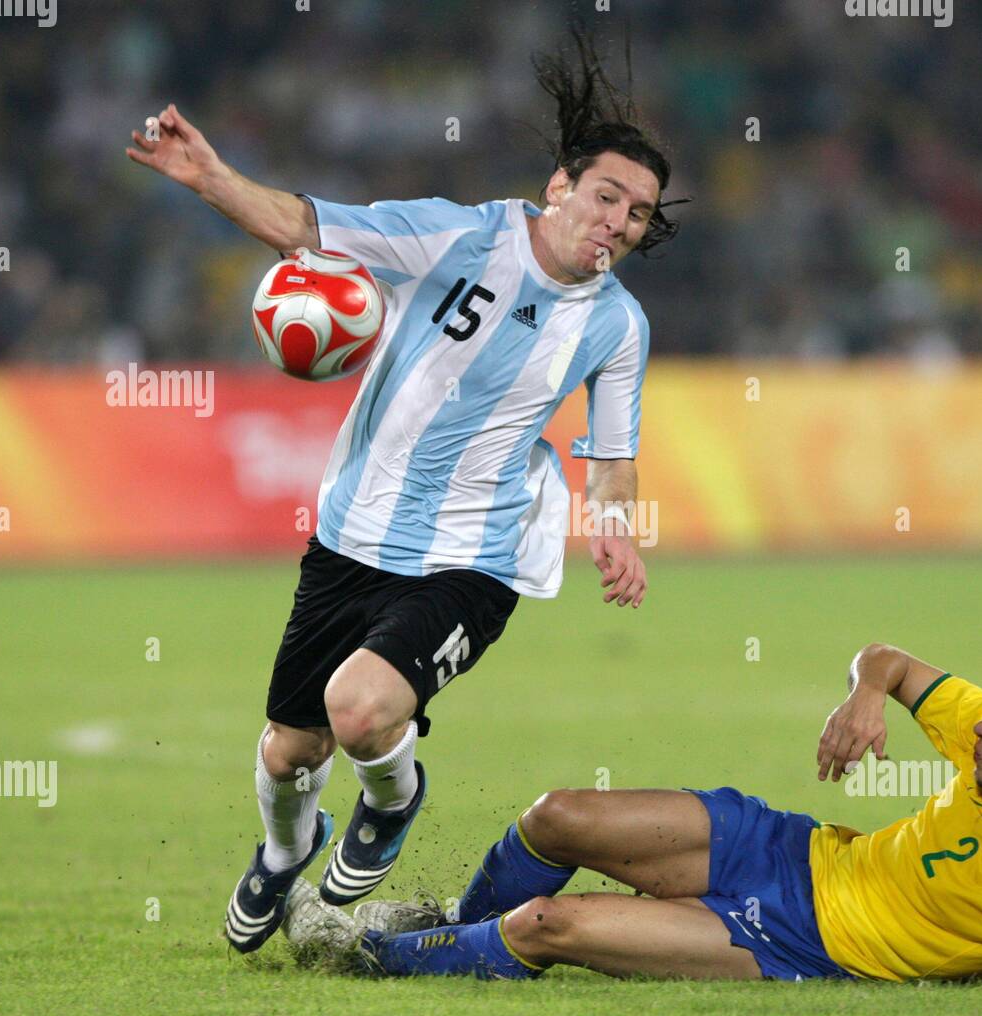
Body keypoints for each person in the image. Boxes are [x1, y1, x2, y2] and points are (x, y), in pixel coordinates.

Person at [126, 32, 686, 952]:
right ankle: (285, 845)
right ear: (560, 187)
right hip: (354, 533)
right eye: (607, 196)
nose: (620, 223)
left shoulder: (620, 325)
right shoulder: (458, 235)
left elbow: (613, 451)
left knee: (361, 708)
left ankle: (391, 802)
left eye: (638, 213)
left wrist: (614, 525)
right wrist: (209, 177)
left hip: (479, 554)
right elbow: (310, 227)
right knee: (288, 750)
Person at [284, 643, 982, 996]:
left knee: (547, 925)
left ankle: (361, 953)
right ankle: (449, 926)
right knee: (557, 815)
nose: (980, 725)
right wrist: (862, 698)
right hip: (794, 847)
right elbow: (883, 657)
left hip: (804, 940)